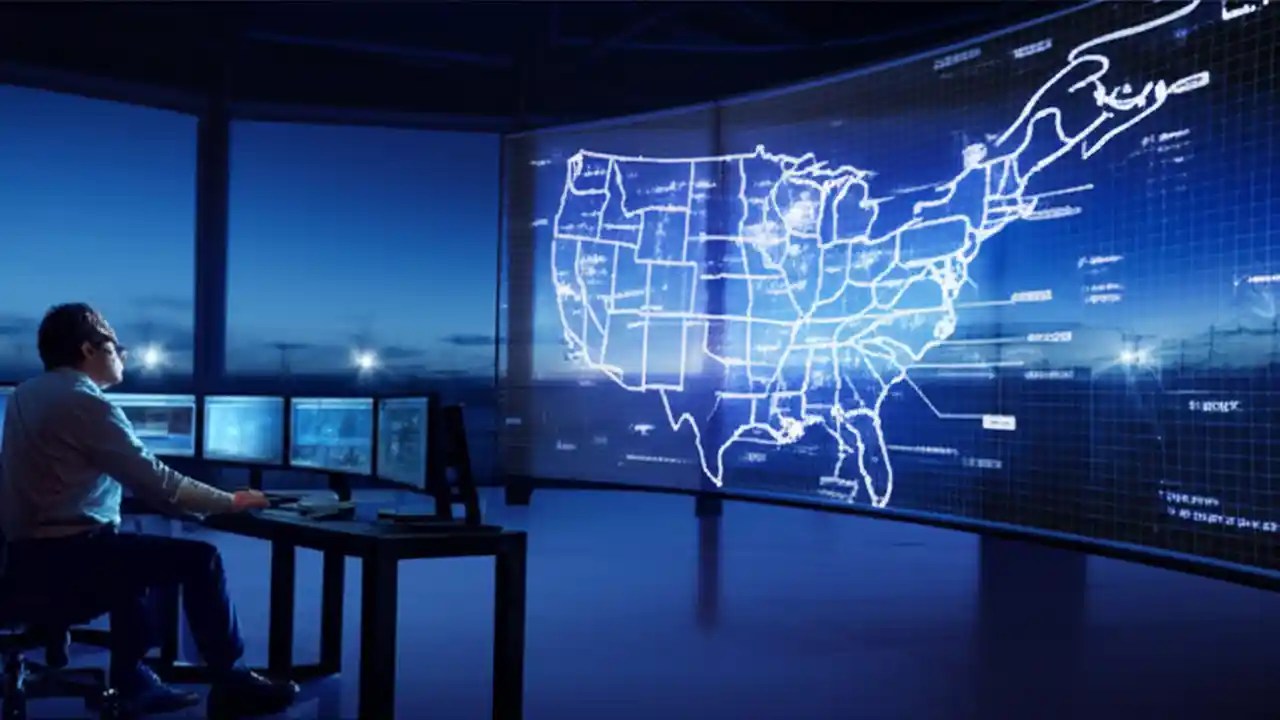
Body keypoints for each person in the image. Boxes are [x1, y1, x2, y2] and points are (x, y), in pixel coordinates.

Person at [0, 303, 299, 716]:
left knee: (135, 555)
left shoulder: (26, 394)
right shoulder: (85, 403)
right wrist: (231, 501)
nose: (122, 356)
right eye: (116, 346)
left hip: (23, 559)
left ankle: (134, 679)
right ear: (89, 350)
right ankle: (232, 681)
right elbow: (161, 484)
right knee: (199, 559)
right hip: (65, 562)